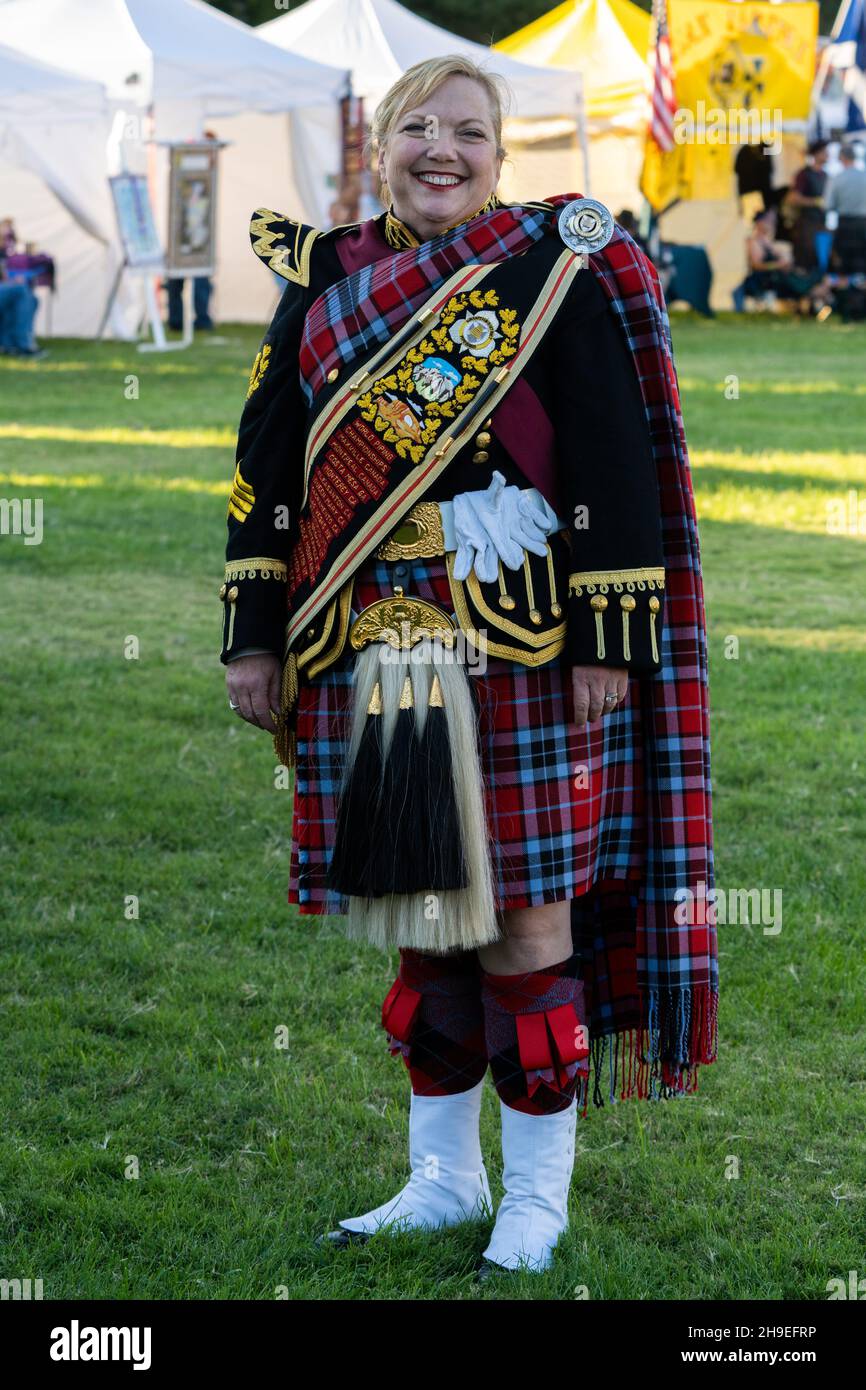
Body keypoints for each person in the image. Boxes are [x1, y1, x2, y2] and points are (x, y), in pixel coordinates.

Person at [219, 55, 717, 1278]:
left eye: (470, 135)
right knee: (420, 911)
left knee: (526, 923)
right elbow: (267, 465)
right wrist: (253, 628)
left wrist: (610, 635)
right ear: (379, 145)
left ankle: (534, 1199)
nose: (442, 151)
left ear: (502, 157)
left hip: (525, 636)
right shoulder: (328, 280)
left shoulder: (553, 272)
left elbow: (610, 445)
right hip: (370, 630)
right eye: (418, 130)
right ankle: (442, 1179)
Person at [736, 208, 824, 312]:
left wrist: (784, 261)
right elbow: (757, 266)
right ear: (759, 222)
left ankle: (817, 302)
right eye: (768, 221)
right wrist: (778, 265)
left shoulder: (767, 241)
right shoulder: (753, 241)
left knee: (811, 277)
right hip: (767, 278)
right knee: (807, 284)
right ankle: (820, 303)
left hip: (781, 275)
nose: (771, 224)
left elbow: (780, 257)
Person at [787, 138, 829, 271]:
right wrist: (814, 202)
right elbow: (793, 198)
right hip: (807, 224)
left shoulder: (825, 175)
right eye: (824, 151)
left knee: (821, 258)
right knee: (807, 257)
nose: (827, 154)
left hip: (821, 222)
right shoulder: (804, 174)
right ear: (816, 154)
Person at [826, 143, 866, 276]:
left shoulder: (837, 178)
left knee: (845, 264)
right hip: (862, 224)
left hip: (845, 224)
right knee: (862, 262)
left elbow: (829, 205)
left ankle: (847, 293)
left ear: (842, 158)